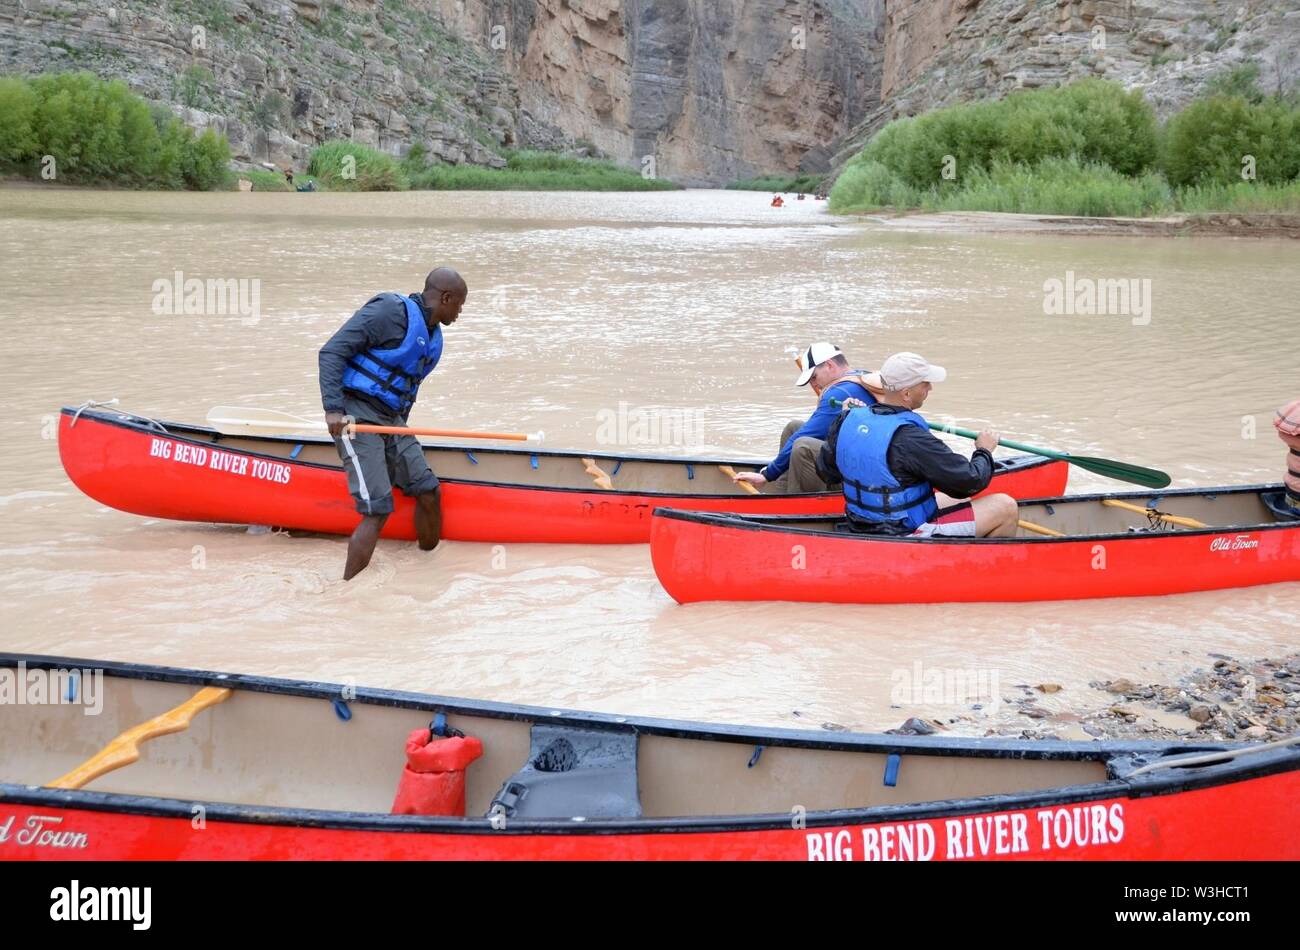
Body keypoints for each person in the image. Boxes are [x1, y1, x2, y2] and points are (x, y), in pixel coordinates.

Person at [318, 268, 467, 579]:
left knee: (428, 491)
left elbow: (405, 393)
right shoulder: (389, 311)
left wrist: (394, 449)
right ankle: (346, 592)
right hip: (355, 415)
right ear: (446, 298)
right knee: (378, 508)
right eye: (460, 305)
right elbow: (331, 352)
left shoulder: (432, 338)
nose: (460, 312)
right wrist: (333, 410)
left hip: (392, 421)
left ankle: (428, 572)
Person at [818, 352, 1019, 538]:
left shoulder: (847, 419)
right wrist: (984, 450)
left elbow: (827, 472)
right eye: (925, 384)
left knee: (960, 501)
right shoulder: (911, 437)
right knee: (1006, 506)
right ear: (906, 394)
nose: (930, 388)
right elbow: (969, 482)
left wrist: (845, 416)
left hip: (859, 522)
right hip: (903, 533)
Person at [732, 343, 876, 494]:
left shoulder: (840, 391)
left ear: (829, 365)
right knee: (793, 427)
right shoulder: (860, 376)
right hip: (855, 457)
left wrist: (766, 475)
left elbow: (807, 434)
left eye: (814, 377)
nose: (814, 384)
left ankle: (794, 505)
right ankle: (781, 494)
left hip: (860, 475)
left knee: (803, 446)